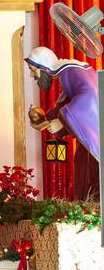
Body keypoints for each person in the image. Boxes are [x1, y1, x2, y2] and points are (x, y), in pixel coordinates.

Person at [25, 46, 100, 200]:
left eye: (33, 70)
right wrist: (45, 118)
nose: (33, 75)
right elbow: (65, 102)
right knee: (83, 167)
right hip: (89, 137)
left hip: (96, 134)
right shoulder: (67, 73)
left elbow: (90, 96)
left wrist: (61, 122)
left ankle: (92, 212)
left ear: (44, 66)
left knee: (90, 172)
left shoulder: (70, 72)